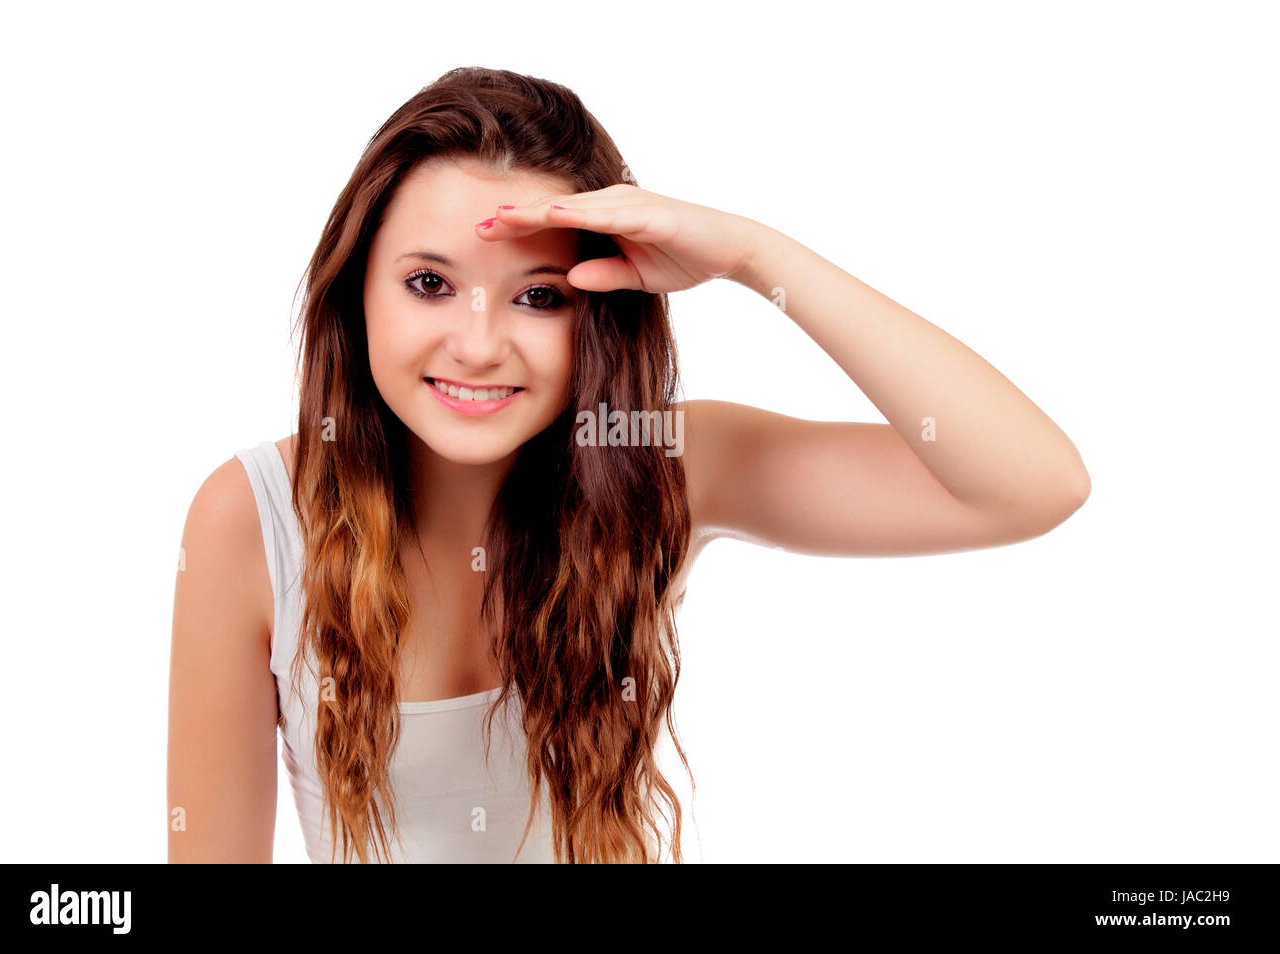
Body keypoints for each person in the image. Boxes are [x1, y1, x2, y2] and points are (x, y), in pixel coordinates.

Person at [168, 66, 1090, 864]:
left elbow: (1032, 486)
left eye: (538, 295)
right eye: (429, 283)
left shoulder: (664, 465)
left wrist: (751, 254)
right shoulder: (252, 519)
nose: (479, 343)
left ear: (599, 313)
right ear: (355, 290)